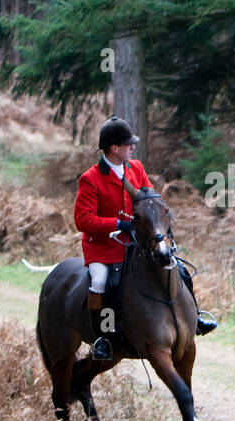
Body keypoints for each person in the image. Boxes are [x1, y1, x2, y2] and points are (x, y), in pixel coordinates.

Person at [74, 116, 217, 361]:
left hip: (136, 242)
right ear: (114, 148)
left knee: (176, 267)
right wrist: (119, 223)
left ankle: (195, 317)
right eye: (128, 144)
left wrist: (156, 221)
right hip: (104, 247)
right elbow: (83, 221)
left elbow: (148, 199)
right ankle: (103, 338)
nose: (133, 147)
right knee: (99, 281)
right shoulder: (91, 178)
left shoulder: (136, 169)